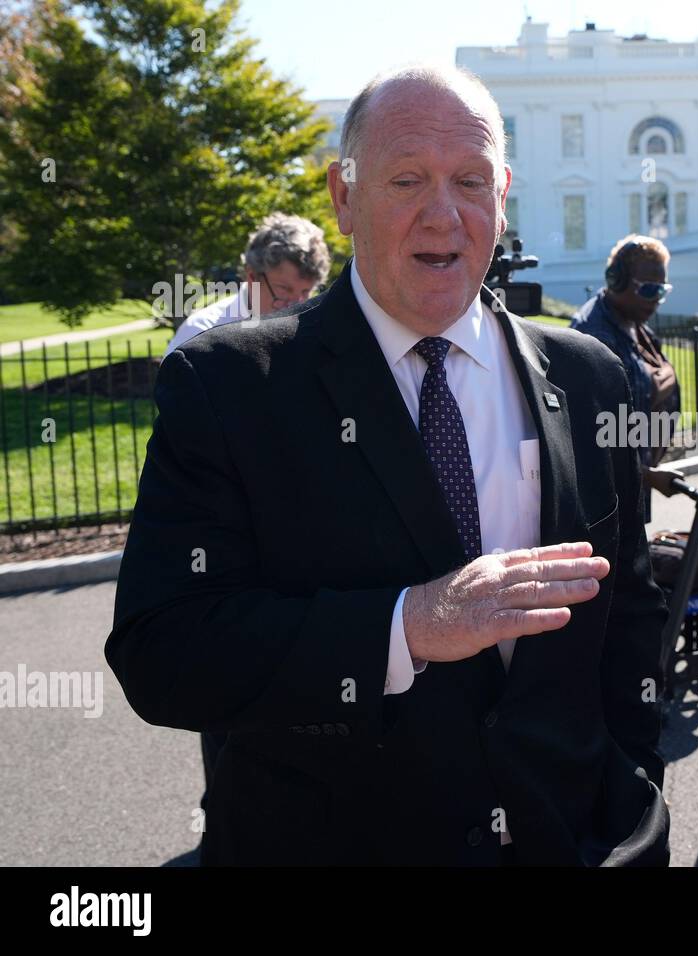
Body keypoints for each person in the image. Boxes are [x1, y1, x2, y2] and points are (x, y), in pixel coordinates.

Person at [107, 64, 669, 866]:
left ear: (502, 195)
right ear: (343, 196)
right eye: (407, 178)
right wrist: (407, 626)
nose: (443, 213)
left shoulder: (588, 375)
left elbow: (630, 610)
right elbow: (163, 654)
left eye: (470, 180)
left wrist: (636, 791)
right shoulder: (229, 385)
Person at [570, 235, 684, 519]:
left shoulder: (635, 323)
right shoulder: (596, 337)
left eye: (662, 290)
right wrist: (647, 476)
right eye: (648, 290)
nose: (656, 300)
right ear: (616, 280)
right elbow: (587, 440)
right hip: (606, 507)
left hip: (634, 490)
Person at [165, 213, 330, 355]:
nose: (296, 307)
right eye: (284, 290)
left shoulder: (315, 330)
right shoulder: (198, 334)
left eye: (306, 292)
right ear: (252, 276)